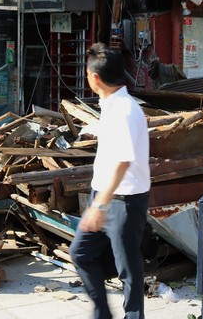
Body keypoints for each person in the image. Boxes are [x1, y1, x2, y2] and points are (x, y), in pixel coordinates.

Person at [71, 43, 150, 319]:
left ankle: (133, 316)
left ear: (95, 78)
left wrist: (100, 206)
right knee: (81, 253)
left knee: (129, 268)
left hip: (123, 202)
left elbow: (123, 161)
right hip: (104, 196)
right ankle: (102, 313)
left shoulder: (125, 111)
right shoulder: (111, 105)